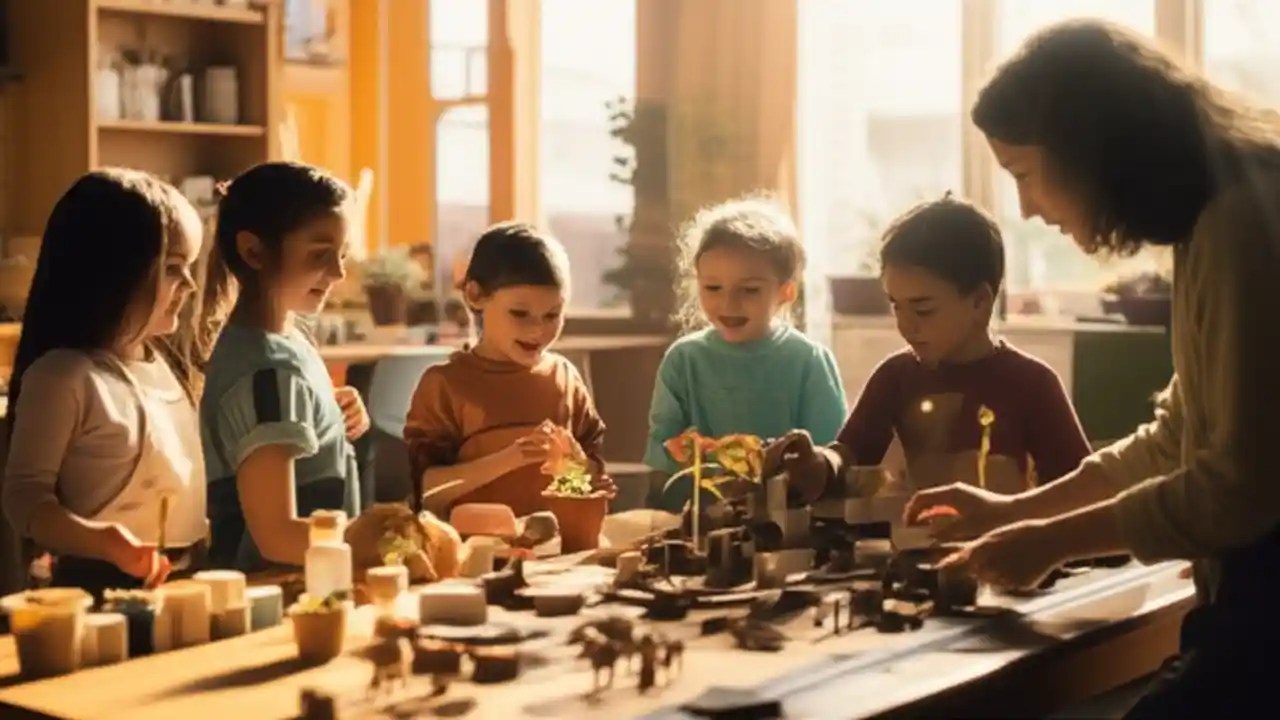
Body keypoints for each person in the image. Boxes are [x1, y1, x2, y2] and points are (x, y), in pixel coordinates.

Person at [901, 20, 1280, 717]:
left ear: (1091, 150)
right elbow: (1180, 433)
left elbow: (1240, 487)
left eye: (1023, 175)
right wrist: (1021, 511)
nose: (1026, 209)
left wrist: (1052, 542)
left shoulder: (1243, 223)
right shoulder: (1210, 216)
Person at [766, 195, 1090, 503]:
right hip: (918, 551)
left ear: (979, 302)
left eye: (923, 310)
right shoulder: (896, 377)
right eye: (897, 306)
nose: (907, 325)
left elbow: (1082, 492)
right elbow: (848, 455)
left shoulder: (1032, 384)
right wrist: (816, 464)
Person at [2, 169, 207, 600]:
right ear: (113, 270)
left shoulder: (166, 368)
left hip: (182, 581)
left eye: (190, 268)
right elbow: (24, 500)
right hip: (96, 591)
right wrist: (102, 541)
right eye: (173, 269)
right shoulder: (63, 377)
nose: (189, 285)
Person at [200, 162, 370, 571]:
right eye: (319, 254)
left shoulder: (285, 344)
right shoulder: (267, 372)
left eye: (342, 255)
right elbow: (277, 536)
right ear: (254, 252)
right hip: (277, 589)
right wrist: (385, 545)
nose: (338, 272)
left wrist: (331, 410)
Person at [645, 196, 846, 508]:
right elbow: (660, 457)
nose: (729, 304)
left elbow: (829, 456)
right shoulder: (683, 361)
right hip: (700, 520)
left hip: (790, 523)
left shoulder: (809, 362)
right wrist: (686, 454)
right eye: (713, 288)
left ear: (786, 291)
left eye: (750, 290)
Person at [404, 222, 616, 517]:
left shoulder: (566, 380)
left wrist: (579, 469)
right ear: (475, 295)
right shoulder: (444, 385)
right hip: (473, 553)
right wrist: (509, 459)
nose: (537, 330)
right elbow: (426, 493)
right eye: (519, 313)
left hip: (557, 553)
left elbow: (589, 481)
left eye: (553, 315)